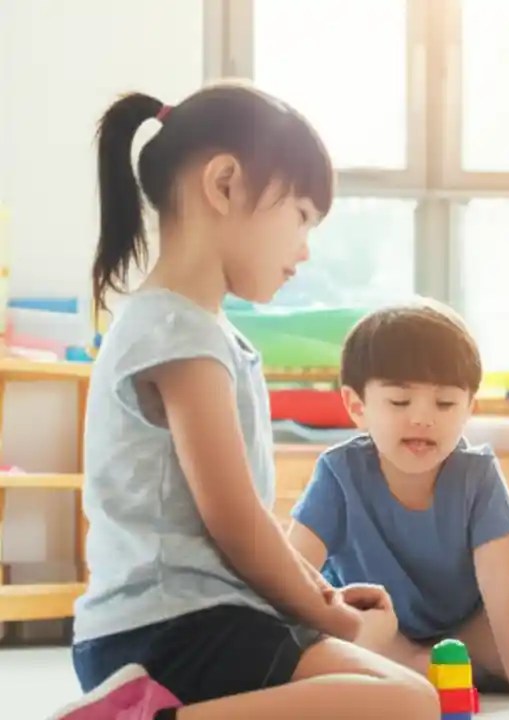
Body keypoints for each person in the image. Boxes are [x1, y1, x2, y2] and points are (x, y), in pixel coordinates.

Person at [53, 86, 438, 720]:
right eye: (303, 216)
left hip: (188, 623)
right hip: (170, 631)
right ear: (226, 184)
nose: (306, 248)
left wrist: (321, 593)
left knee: (393, 688)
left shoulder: (195, 330)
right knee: (405, 702)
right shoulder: (179, 334)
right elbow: (234, 519)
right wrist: (324, 616)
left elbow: (244, 524)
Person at [288, 302, 509, 698]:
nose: (422, 418)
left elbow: (501, 582)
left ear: (469, 409)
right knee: (340, 626)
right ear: (357, 406)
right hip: (389, 628)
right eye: (400, 402)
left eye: (444, 404)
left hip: (470, 620)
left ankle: (460, 663)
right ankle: (434, 664)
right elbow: (293, 573)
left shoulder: (477, 474)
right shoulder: (339, 474)